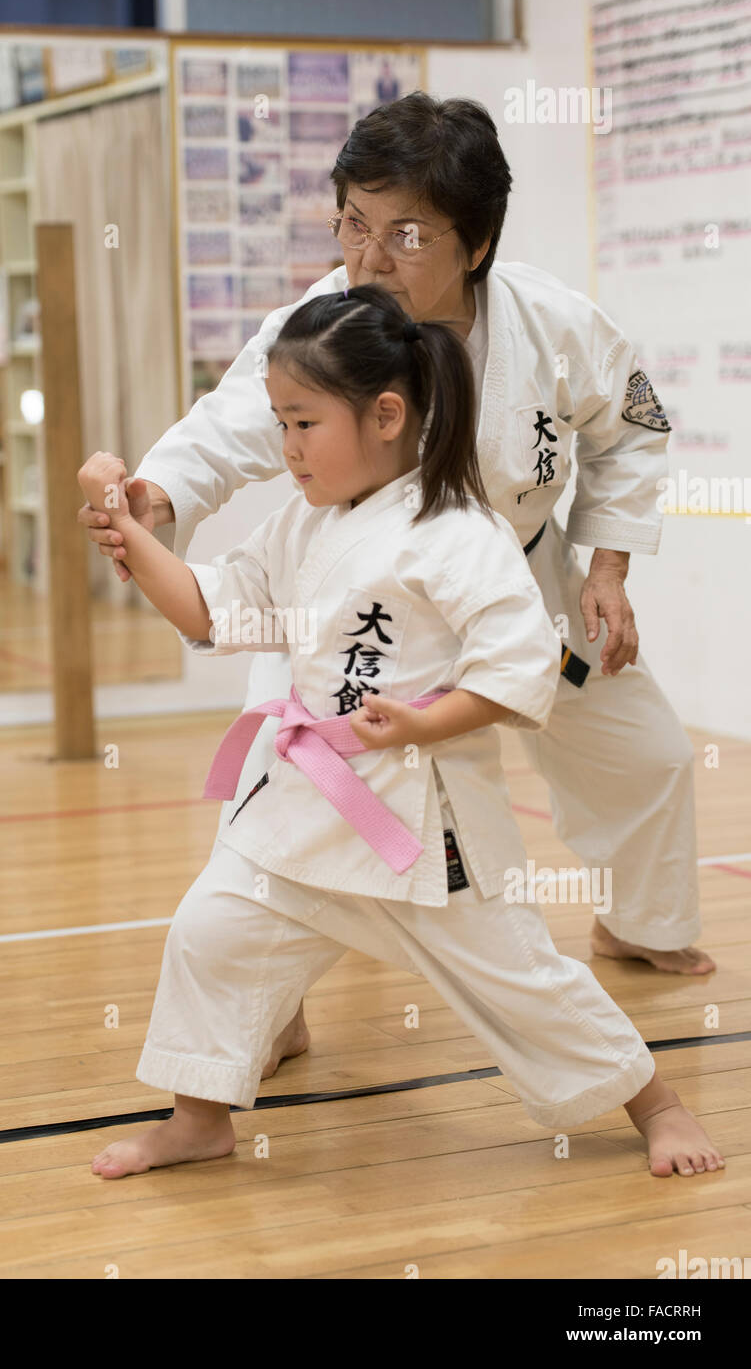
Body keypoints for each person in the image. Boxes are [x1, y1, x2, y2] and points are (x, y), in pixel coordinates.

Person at [79, 97, 715, 1094]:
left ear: (479, 242)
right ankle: (266, 1015)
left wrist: (608, 564)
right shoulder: (328, 323)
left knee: (648, 753)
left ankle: (641, 927)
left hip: (519, 574)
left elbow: (631, 425)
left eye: (406, 233)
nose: (370, 256)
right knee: (271, 808)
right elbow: (234, 420)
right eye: (354, 224)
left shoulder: (554, 326)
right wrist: (158, 493)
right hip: (349, 591)